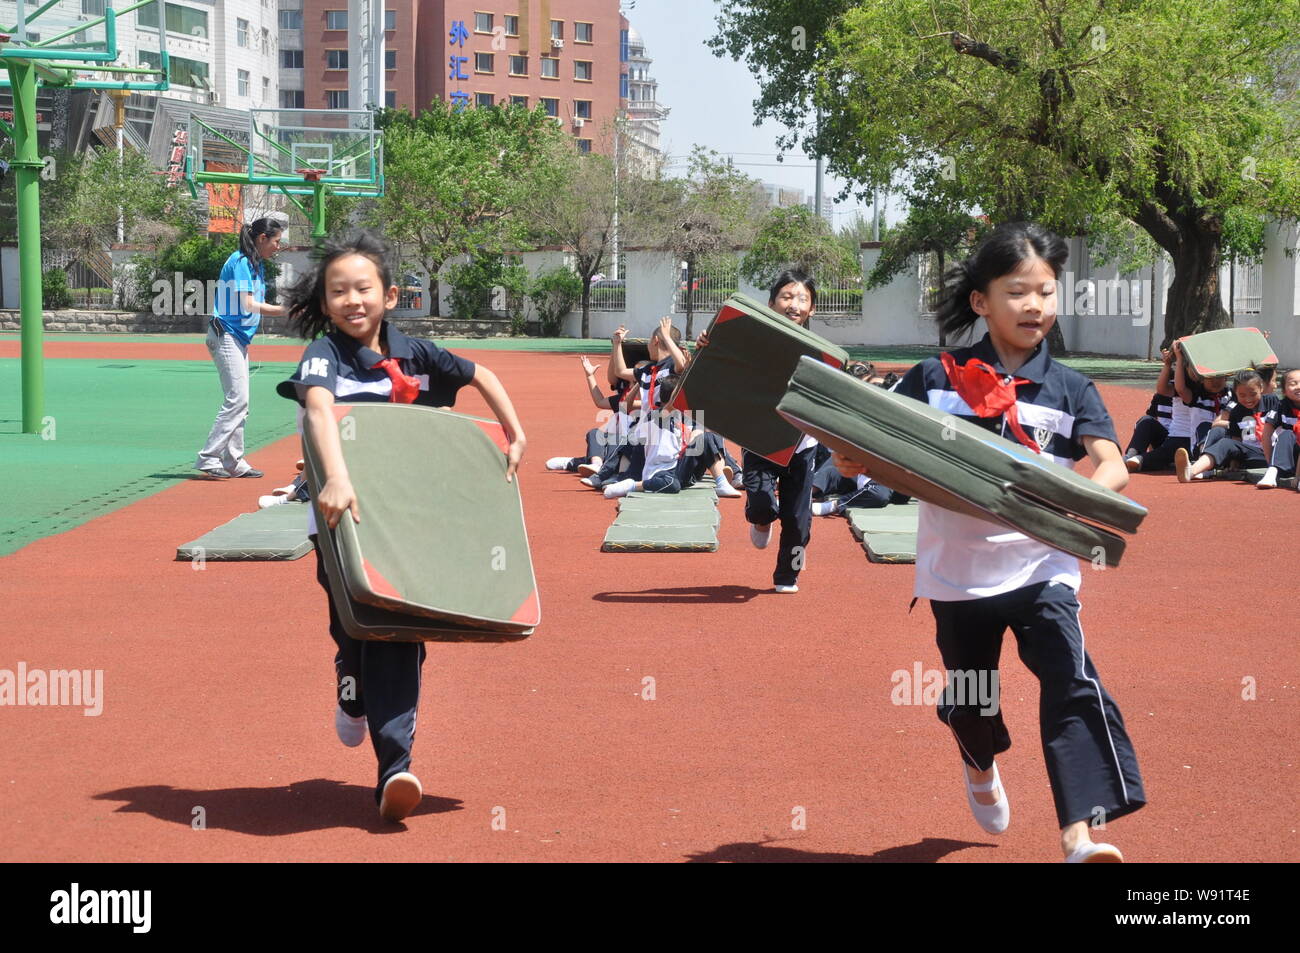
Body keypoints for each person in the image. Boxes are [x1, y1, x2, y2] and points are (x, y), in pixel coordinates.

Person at [834, 222, 1145, 862]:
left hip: (1043, 565)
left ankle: (1079, 834)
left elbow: (1110, 462)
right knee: (973, 700)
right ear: (981, 301)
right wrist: (851, 461)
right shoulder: (933, 378)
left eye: (1047, 292)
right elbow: (879, 453)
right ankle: (980, 764)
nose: (1036, 306)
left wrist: (1082, 495)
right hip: (957, 576)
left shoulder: (1071, 388)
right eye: (1017, 292)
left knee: (1072, 680)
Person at [276, 231, 526, 823]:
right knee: (355, 621)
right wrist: (336, 478)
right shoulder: (325, 354)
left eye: (363, 288)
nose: (351, 300)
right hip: (341, 513)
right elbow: (317, 409)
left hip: (408, 517)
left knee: (399, 626)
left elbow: (480, 374)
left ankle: (395, 767)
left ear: (389, 295)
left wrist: (515, 432)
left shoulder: (416, 353)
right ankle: (349, 676)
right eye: (338, 291)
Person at [699, 270, 821, 594]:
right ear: (771, 304)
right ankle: (760, 519)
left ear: (811, 309)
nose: (794, 304)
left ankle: (788, 575)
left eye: (803, 299)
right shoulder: (751, 345)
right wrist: (706, 348)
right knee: (763, 503)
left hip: (802, 445)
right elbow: (718, 366)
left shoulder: (820, 355)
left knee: (799, 520)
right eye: (787, 297)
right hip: (760, 441)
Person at [194, 218, 286, 479]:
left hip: (237, 338)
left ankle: (233, 461)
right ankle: (208, 458)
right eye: (276, 241)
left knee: (240, 402)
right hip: (226, 336)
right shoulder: (241, 262)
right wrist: (284, 311)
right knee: (238, 400)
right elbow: (248, 304)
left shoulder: (255, 264)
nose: (278, 247)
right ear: (262, 239)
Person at [1175, 369, 1276, 482]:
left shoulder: (1271, 401)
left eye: (1253, 394)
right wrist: (1234, 462)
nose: (1248, 399)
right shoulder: (1237, 411)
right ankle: (1191, 471)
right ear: (1235, 393)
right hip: (1252, 453)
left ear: (1261, 389)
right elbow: (1236, 440)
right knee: (1224, 442)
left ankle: (1197, 469)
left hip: (1272, 452)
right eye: (1242, 395)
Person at [1122, 347, 1174, 470]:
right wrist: (1168, 364)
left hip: (1182, 441)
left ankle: (1142, 460)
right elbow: (1152, 420)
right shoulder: (1160, 396)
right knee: (1146, 421)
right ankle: (1131, 456)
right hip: (1164, 438)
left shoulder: (1193, 392)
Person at [1257, 368, 1300, 489]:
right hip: (1290, 457)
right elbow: (1266, 435)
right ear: (1284, 391)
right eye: (1293, 383)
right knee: (1286, 434)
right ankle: (1272, 472)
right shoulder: (1280, 405)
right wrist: (1270, 462)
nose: (1298, 387)